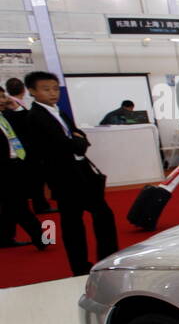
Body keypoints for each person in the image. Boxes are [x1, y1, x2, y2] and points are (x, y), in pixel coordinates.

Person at [21, 70, 118, 275]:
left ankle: (106, 258)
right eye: (46, 89)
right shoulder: (36, 116)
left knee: (99, 215)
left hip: (80, 171)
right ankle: (81, 264)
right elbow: (65, 144)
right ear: (32, 91)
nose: (52, 93)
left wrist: (77, 141)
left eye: (55, 89)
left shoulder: (58, 111)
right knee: (75, 222)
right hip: (64, 176)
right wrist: (77, 141)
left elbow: (79, 137)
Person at [0, 92, 45, 251]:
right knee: (18, 204)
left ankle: (4, 237)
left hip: (16, 164)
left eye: (3, 97)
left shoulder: (6, 116)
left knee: (9, 205)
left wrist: (17, 108)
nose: (3, 101)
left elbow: (27, 122)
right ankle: (41, 237)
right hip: (4, 169)